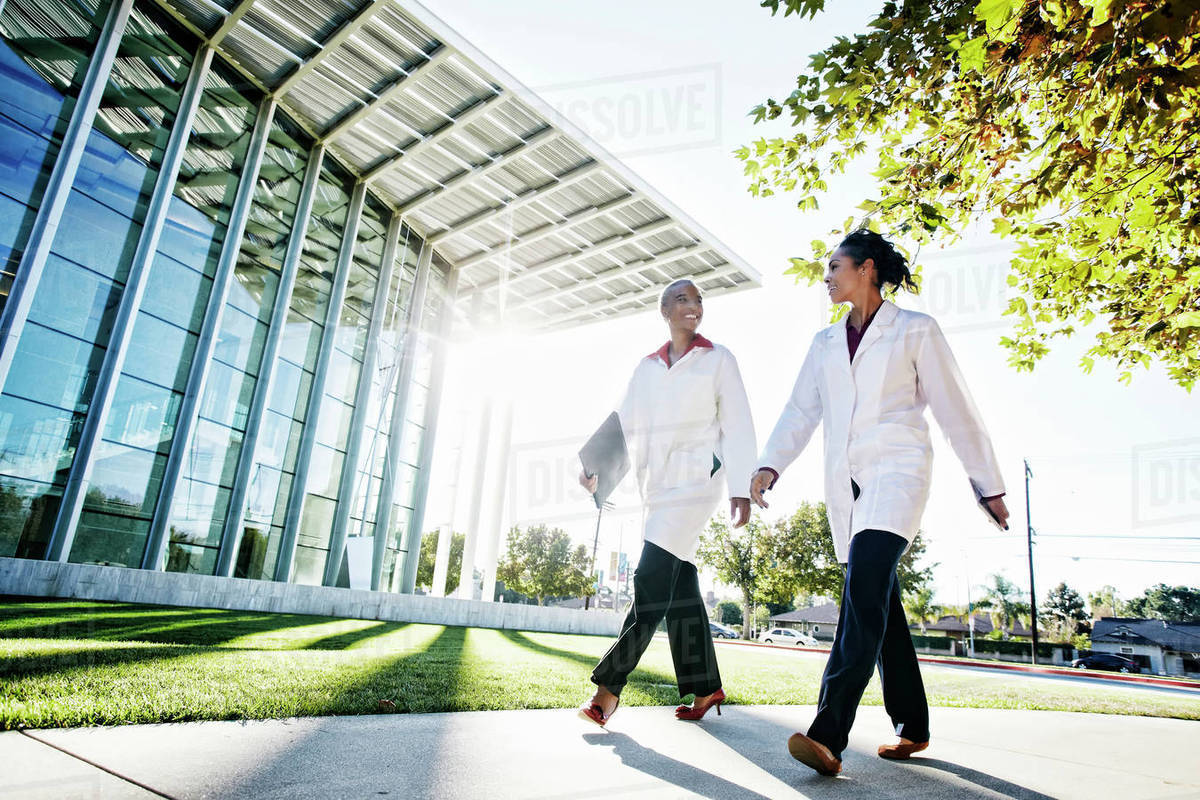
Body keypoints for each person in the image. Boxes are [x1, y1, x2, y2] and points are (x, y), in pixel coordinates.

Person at [750, 230, 1009, 776]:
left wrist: (987, 483)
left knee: (863, 588)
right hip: (845, 486)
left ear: (867, 269)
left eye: (835, 266)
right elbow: (800, 412)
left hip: (898, 473)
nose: (827, 276)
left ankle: (828, 733)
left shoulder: (915, 330)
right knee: (880, 607)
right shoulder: (823, 343)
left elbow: (954, 406)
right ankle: (912, 725)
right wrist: (770, 465)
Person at [578, 278, 756, 727]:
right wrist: (594, 466)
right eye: (682, 299)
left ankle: (608, 688)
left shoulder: (719, 359)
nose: (693, 306)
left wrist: (741, 484)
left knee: (650, 577)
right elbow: (624, 420)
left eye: (698, 300)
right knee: (679, 589)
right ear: (664, 310)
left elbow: (737, 422)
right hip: (656, 489)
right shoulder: (647, 368)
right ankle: (706, 685)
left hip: (698, 481)